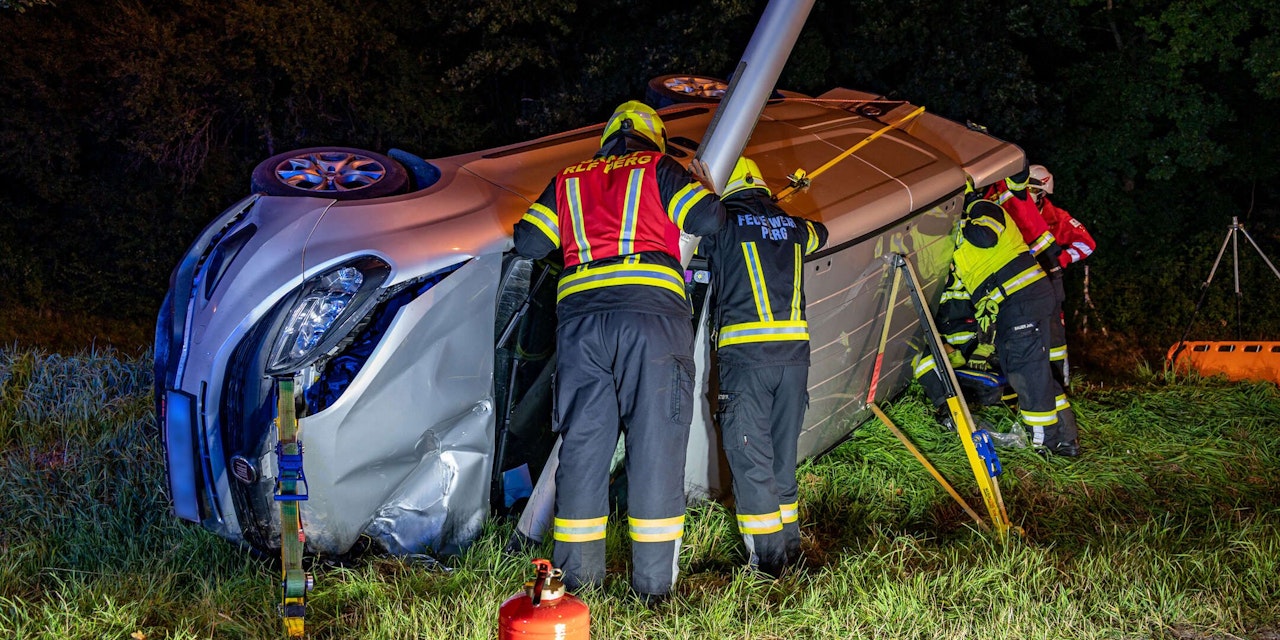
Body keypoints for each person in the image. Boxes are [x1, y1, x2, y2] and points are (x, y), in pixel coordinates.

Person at [511, 100, 726, 601]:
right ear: (655, 138)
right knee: (654, 448)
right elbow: (710, 219)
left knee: (583, 449)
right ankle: (652, 592)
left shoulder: (568, 179)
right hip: (650, 321)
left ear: (607, 137)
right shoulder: (658, 167)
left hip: (581, 327)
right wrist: (699, 180)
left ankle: (575, 588)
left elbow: (526, 242)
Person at [698, 157, 827, 577]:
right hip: (794, 361)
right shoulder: (794, 228)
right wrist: (781, 212)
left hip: (747, 361)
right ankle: (791, 549)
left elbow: (691, 229)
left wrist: (703, 195)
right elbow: (820, 234)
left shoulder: (721, 223)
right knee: (780, 460)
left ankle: (768, 567)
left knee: (751, 462)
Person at [952, 188, 1079, 456]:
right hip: (1019, 302)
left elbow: (984, 237)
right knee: (1036, 371)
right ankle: (1066, 440)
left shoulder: (983, 209)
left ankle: (1044, 444)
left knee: (1026, 373)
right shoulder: (960, 234)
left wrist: (953, 224)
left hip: (1019, 300)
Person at [1029, 164, 1097, 386]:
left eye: (1030, 190)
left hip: (1049, 284)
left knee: (1055, 338)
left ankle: (1061, 384)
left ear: (1041, 192)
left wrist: (1062, 259)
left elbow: (1087, 244)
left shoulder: (1057, 218)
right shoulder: (1011, 211)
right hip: (1021, 285)